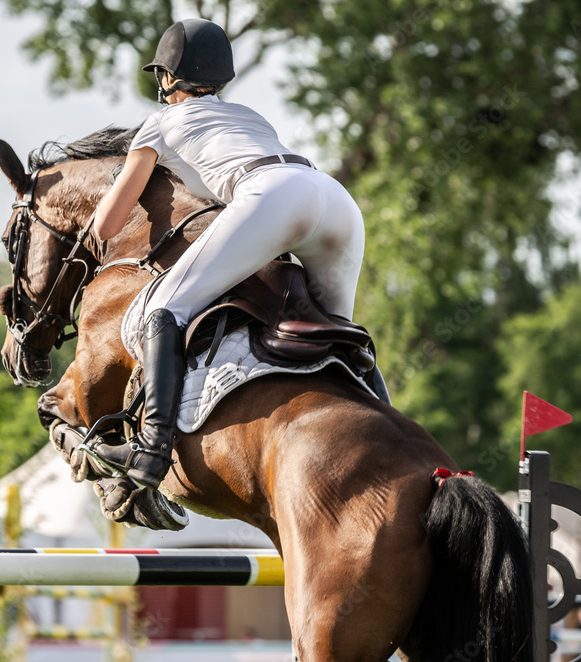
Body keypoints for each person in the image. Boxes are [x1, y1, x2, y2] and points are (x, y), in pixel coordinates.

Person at [90, 18, 371, 489]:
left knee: (164, 306)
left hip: (273, 196)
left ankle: (151, 451)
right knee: (341, 342)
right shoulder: (252, 118)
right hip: (335, 200)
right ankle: (384, 419)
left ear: (167, 77)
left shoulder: (159, 123)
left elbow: (107, 226)